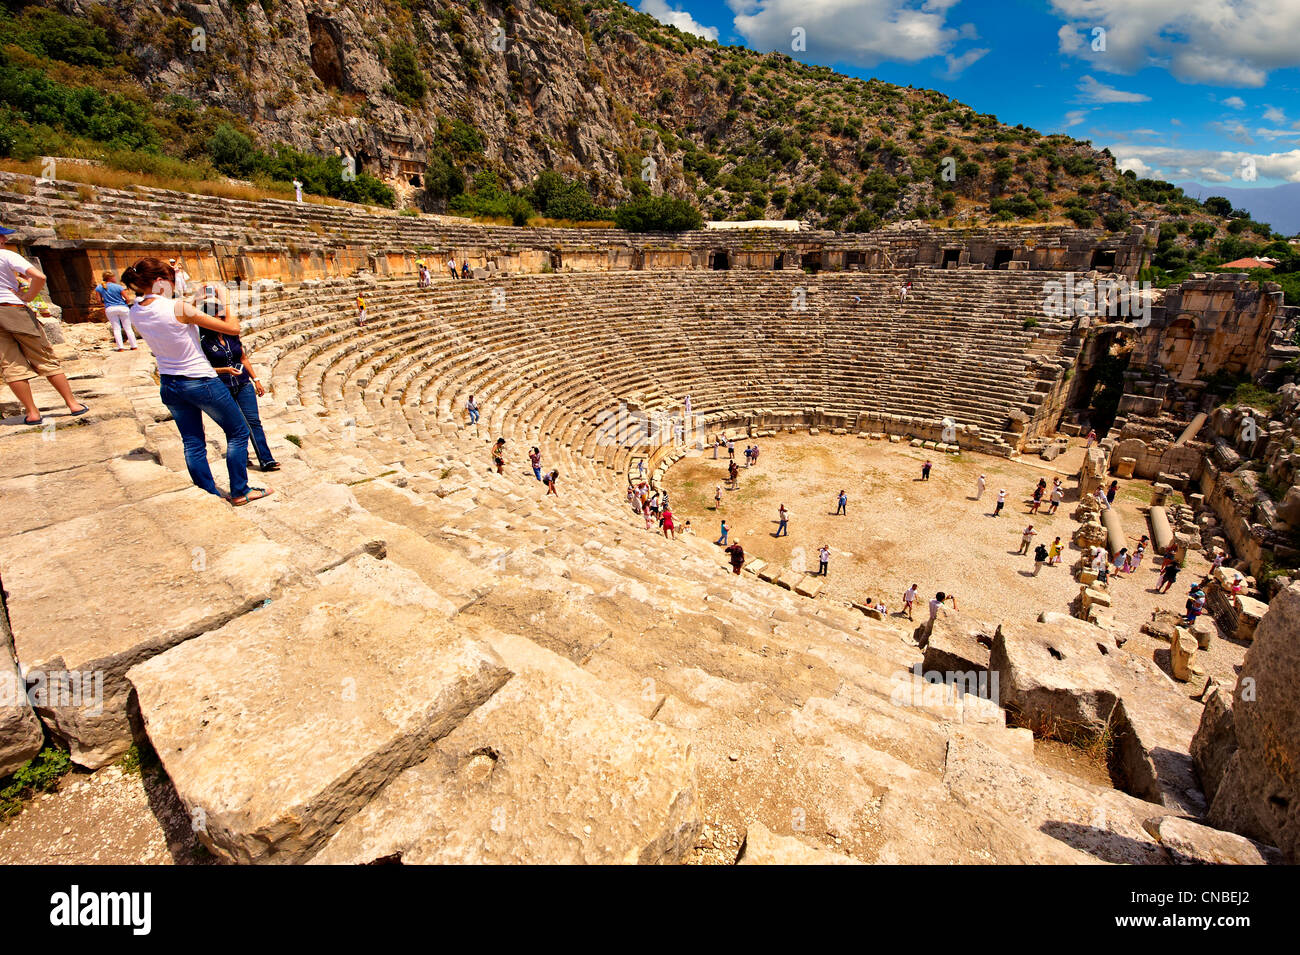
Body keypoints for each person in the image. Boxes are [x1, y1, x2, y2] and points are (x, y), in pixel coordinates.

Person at [122, 257, 270, 505]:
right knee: (238, 432)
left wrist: (193, 301)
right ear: (160, 281)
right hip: (199, 380)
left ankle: (208, 495)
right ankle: (240, 491)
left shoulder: (135, 311)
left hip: (170, 384)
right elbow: (232, 328)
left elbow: (170, 317)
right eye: (171, 280)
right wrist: (225, 302)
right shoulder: (179, 308)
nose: (173, 284)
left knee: (192, 442)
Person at [0, 240, 90, 425]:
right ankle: (73, 404)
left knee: (10, 365)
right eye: (2, 237)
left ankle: (32, 413)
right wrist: (28, 296)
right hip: (14, 309)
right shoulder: (6, 255)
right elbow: (39, 276)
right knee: (44, 358)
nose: (5, 240)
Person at [198, 281, 280, 473]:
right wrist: (224, 370)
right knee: (235, 424)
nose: (222, 319)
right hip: (221, 386)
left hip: (243, 383)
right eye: (217, 316)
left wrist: (256, 380)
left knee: (253, 421)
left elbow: (243, 357)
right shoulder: (202, 341)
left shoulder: (231, 335)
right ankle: (242, 457)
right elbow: (203, 368)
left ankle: (266, 459)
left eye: (222, 315)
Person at [94, 270, 137, 351]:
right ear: (110, 278)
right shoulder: (118, 287)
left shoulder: (99, 287)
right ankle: (134, 346)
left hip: (110, 309)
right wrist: (124, 303)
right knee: (128, 328)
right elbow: (127, 299)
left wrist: (106, 304)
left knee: (116, 329)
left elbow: (99, 301)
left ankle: (120, 347)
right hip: (122, 307)